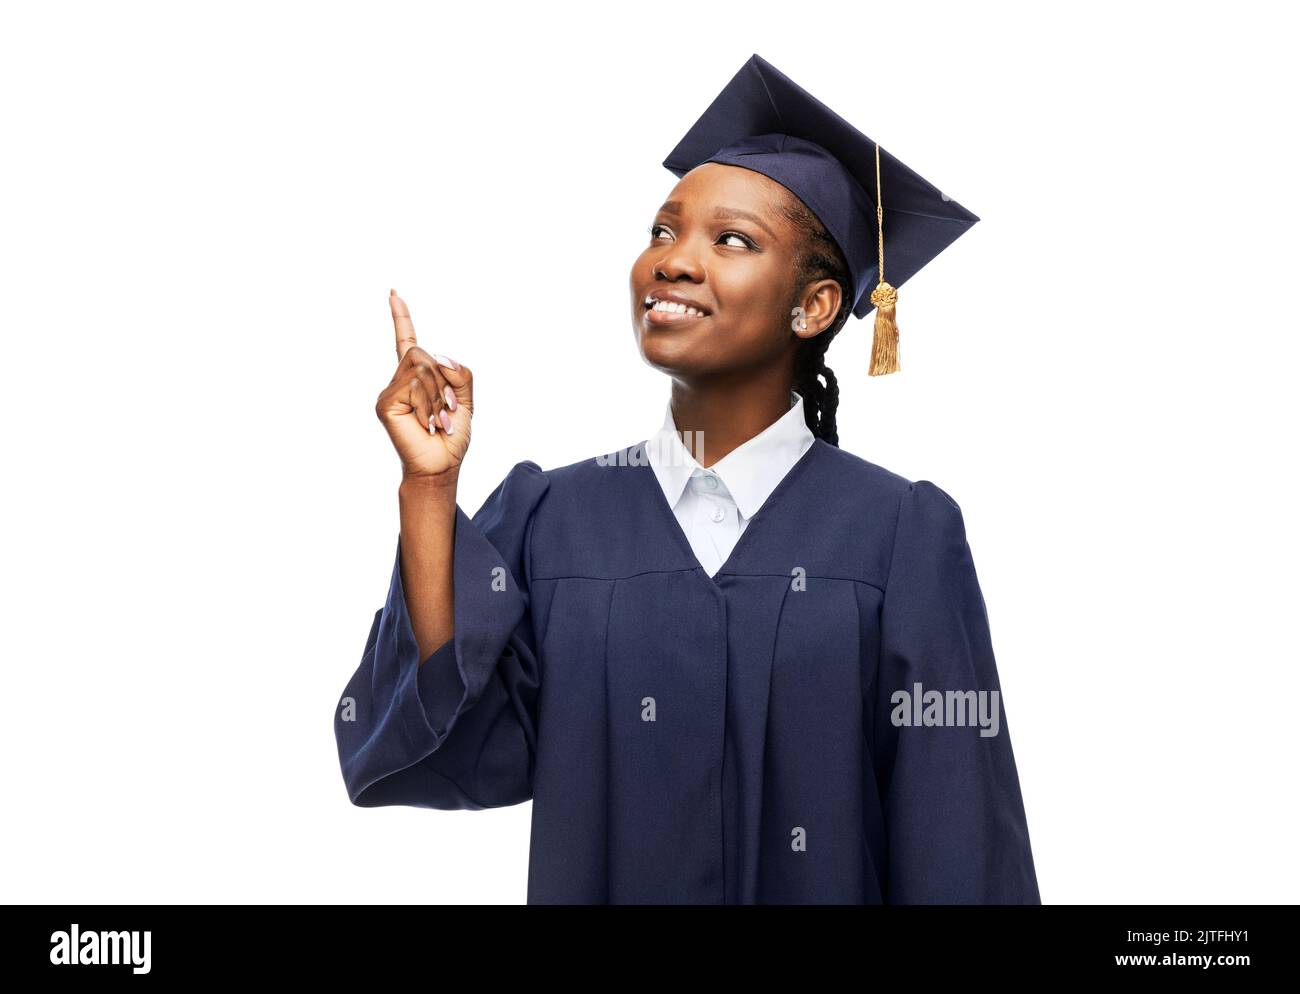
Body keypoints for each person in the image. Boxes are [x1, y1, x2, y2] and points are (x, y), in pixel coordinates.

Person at [334, 54, 1041, 905]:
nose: (672, 260)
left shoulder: (898, 534)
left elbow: (957, 841)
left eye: (730, 240)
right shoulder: (555, 517)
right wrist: (430, 492)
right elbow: (454, 745)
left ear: (813, 306)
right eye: (663, 232)